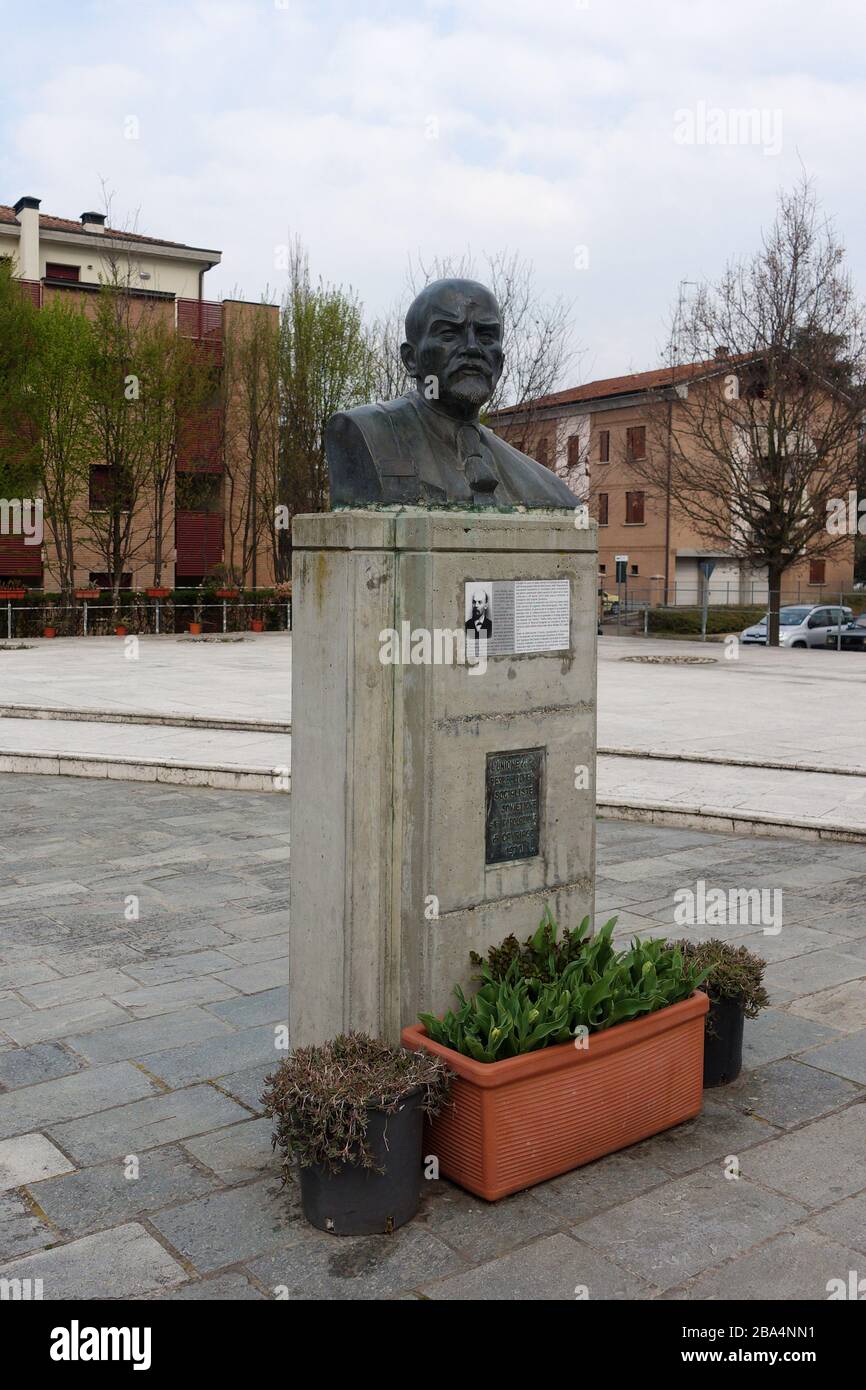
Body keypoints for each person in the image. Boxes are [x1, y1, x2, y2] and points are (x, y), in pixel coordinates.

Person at [326, 278, 579, 508]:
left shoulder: (546, 488)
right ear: (411, 359)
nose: (472, 348)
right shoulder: (362, 432)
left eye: (486, 336)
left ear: (501, 363)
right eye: (449, 334)